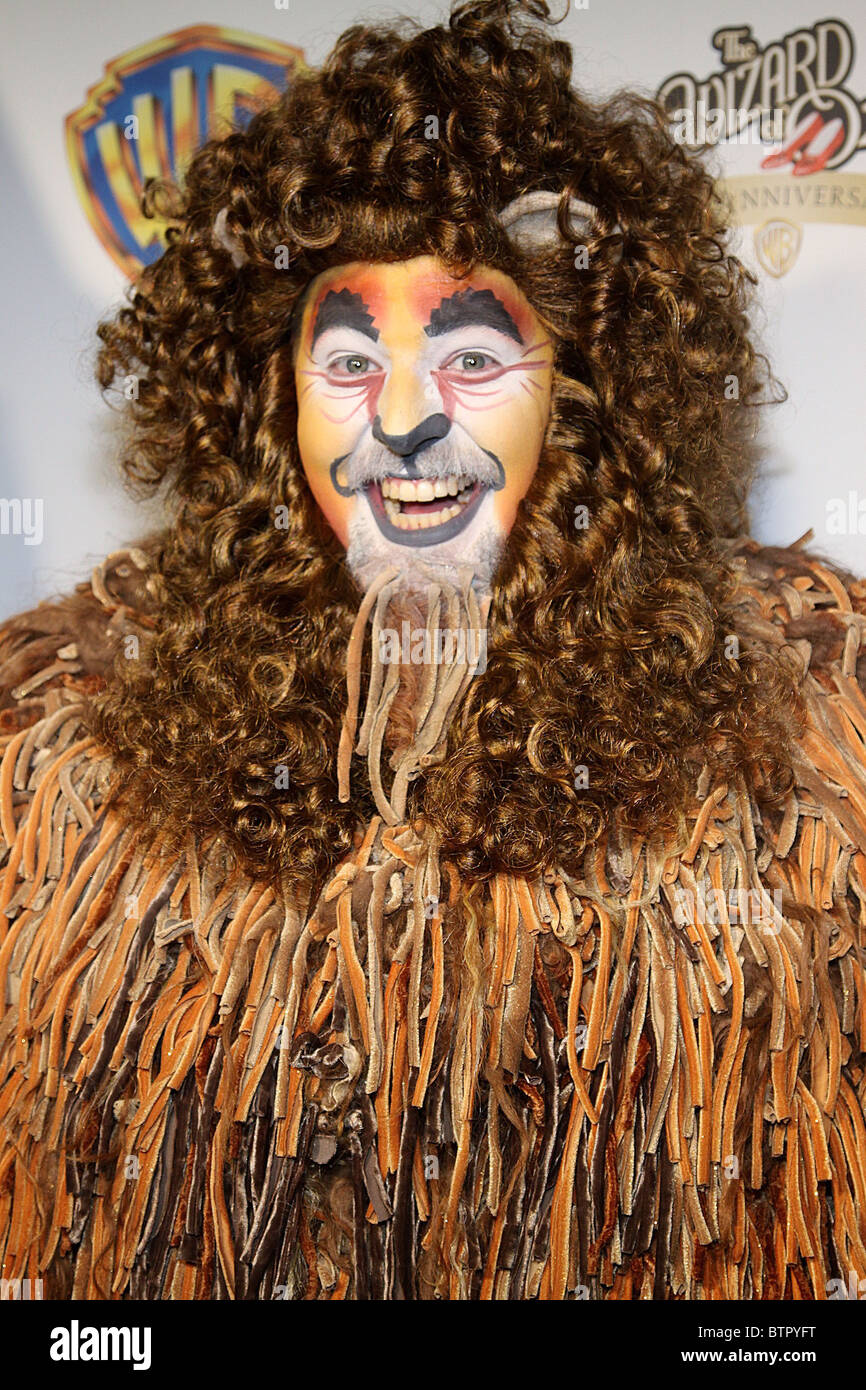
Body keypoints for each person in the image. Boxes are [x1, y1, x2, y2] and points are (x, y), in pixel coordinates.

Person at [1, 0, 864, 1301]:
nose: (403, 419)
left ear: (586, 390)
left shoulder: (814, 704)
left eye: (469, 353)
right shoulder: (59, 726)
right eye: (349, 357)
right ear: (267, 401)